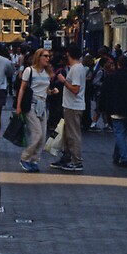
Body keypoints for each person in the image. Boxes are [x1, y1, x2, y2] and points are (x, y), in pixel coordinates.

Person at [16, 48, 59, 172]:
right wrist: (18, 106)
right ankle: (25, 158)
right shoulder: (29, 71)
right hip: (31, 105)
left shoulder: (47, 73)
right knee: (37, 133)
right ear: (38, 57)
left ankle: (34, 160)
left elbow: (45, 90)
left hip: (42, 105)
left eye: (48, 56)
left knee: (42, 135)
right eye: (45, 56)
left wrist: (51, 92)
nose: (48, 58)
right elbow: (22, 89)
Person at [51, 44, 86, 172]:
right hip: (70, 105)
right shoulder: (77, 67)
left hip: (73, 106)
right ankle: (66, 158)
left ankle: (77, 161)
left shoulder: (76, 69)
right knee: (67, 134)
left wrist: (63, 81)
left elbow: (75, 89)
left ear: (68, 54)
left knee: (73, 135)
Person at [99, 55, 127, 168]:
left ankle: (124, 157)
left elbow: (104, 93)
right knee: (121, 132)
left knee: (119, 132)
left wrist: (101, 107)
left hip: (115, 108)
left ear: (118, 64)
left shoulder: (112, 77)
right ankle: (116, 156)